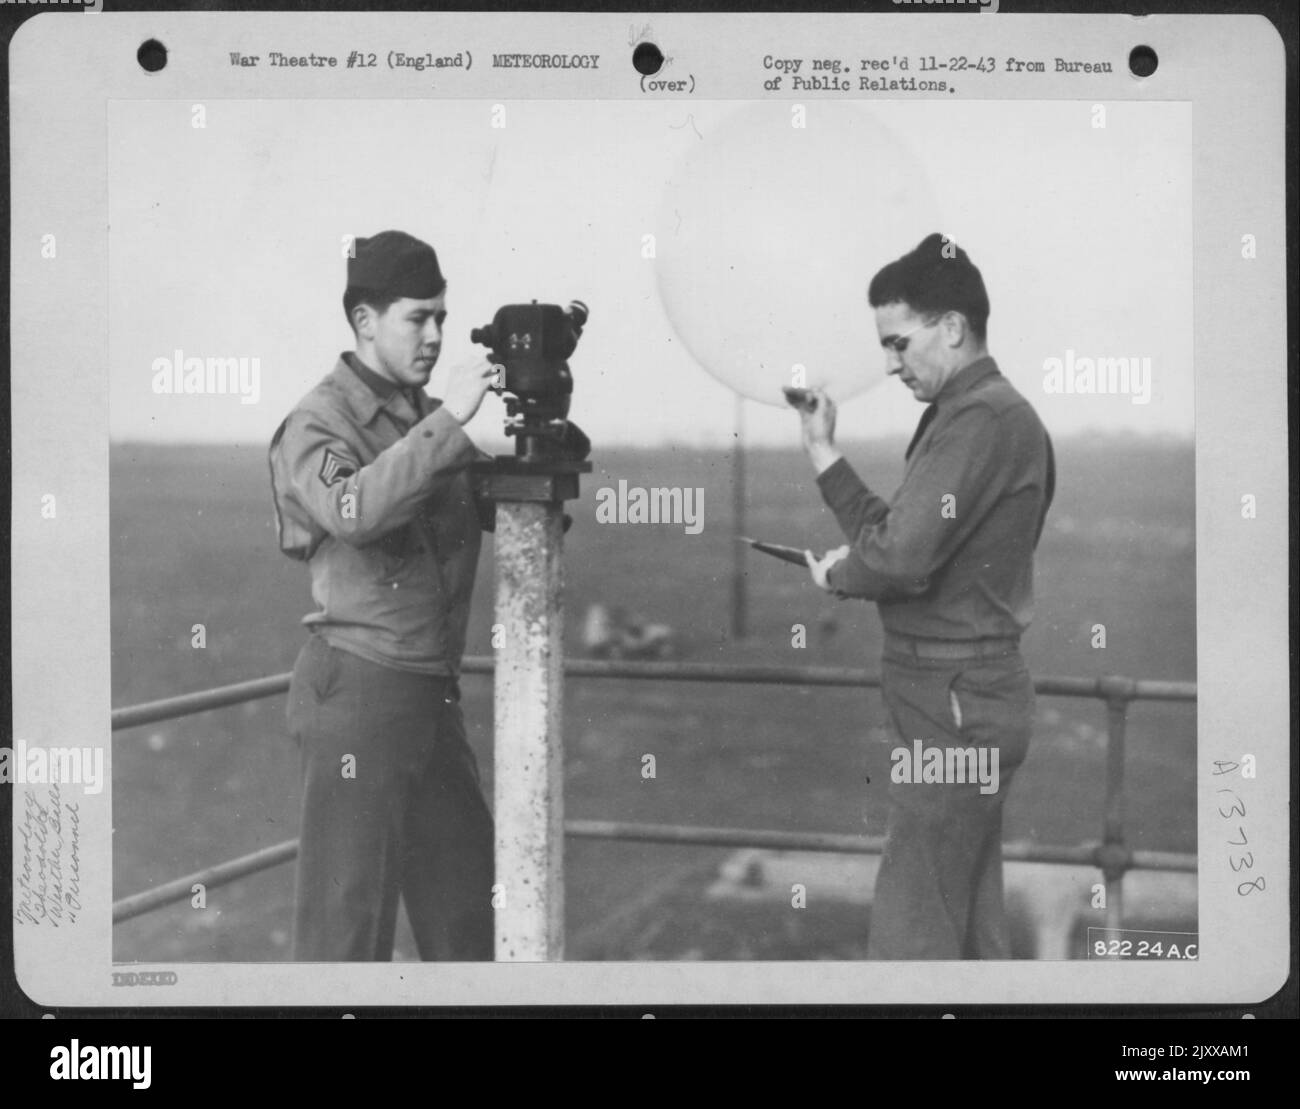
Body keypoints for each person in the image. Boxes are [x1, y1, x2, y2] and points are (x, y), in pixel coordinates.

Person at [797, 233, 1055, 959]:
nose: (888, 363)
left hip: (953, 702)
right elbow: (902, 541)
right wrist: (824, 449)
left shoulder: (981, 420)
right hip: (955, 696)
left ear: (951, 327)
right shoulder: (979, 416)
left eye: (898, 342)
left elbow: (901, 556)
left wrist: (839, 575)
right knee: (966, 927)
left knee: (911, 935)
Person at [268, 230, 499, 961]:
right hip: (361, 694)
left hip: (431, 693)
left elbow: (471, 501)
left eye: (442, 317)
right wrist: (449, 420)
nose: (435, 334)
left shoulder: (415, 416)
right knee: (347, 936)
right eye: (417, 317)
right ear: (365, 321)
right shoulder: (320, 420)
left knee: (469, 918)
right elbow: (353, 511)